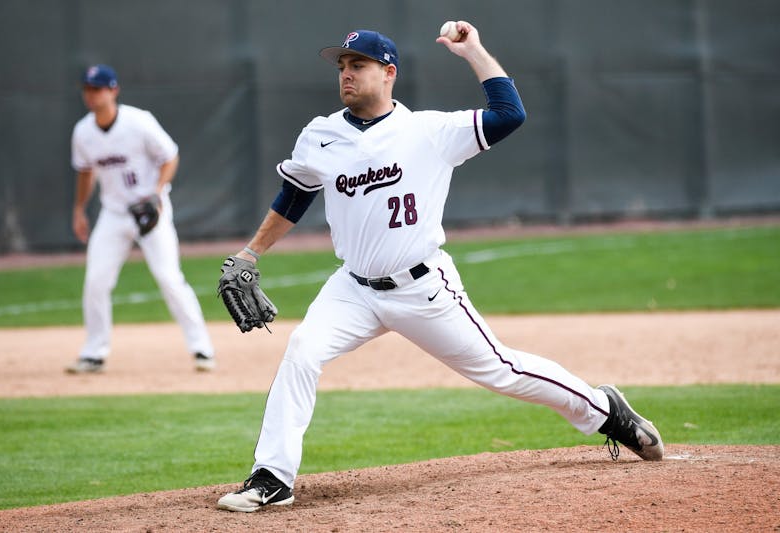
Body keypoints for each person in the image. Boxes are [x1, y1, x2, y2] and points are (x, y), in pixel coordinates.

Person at [217, 23, 663, 513]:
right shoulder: (320, 136)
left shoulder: (429, 131)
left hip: (422, 288)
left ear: (388, 73)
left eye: (357, 65)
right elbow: (295, 194)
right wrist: (250, 252)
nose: (346, 74)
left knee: (503, 371)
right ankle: (272, 477)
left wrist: (473, 51)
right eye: (342, 66)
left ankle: (605, 410)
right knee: (302, 350)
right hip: (353, 289)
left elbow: (509, 114)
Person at [66, 64, 215, 373]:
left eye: (98, 88)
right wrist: (80, 208)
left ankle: (202, 348)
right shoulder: (83, 132)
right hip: (114, 213)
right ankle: (94, 352)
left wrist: (158, 192)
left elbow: (170, 156)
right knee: (95, 281)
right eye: (88, 89)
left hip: (151, 210)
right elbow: (85, 171)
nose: (92, 95)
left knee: (169, 278)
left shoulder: (138, 122)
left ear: (113, 90)